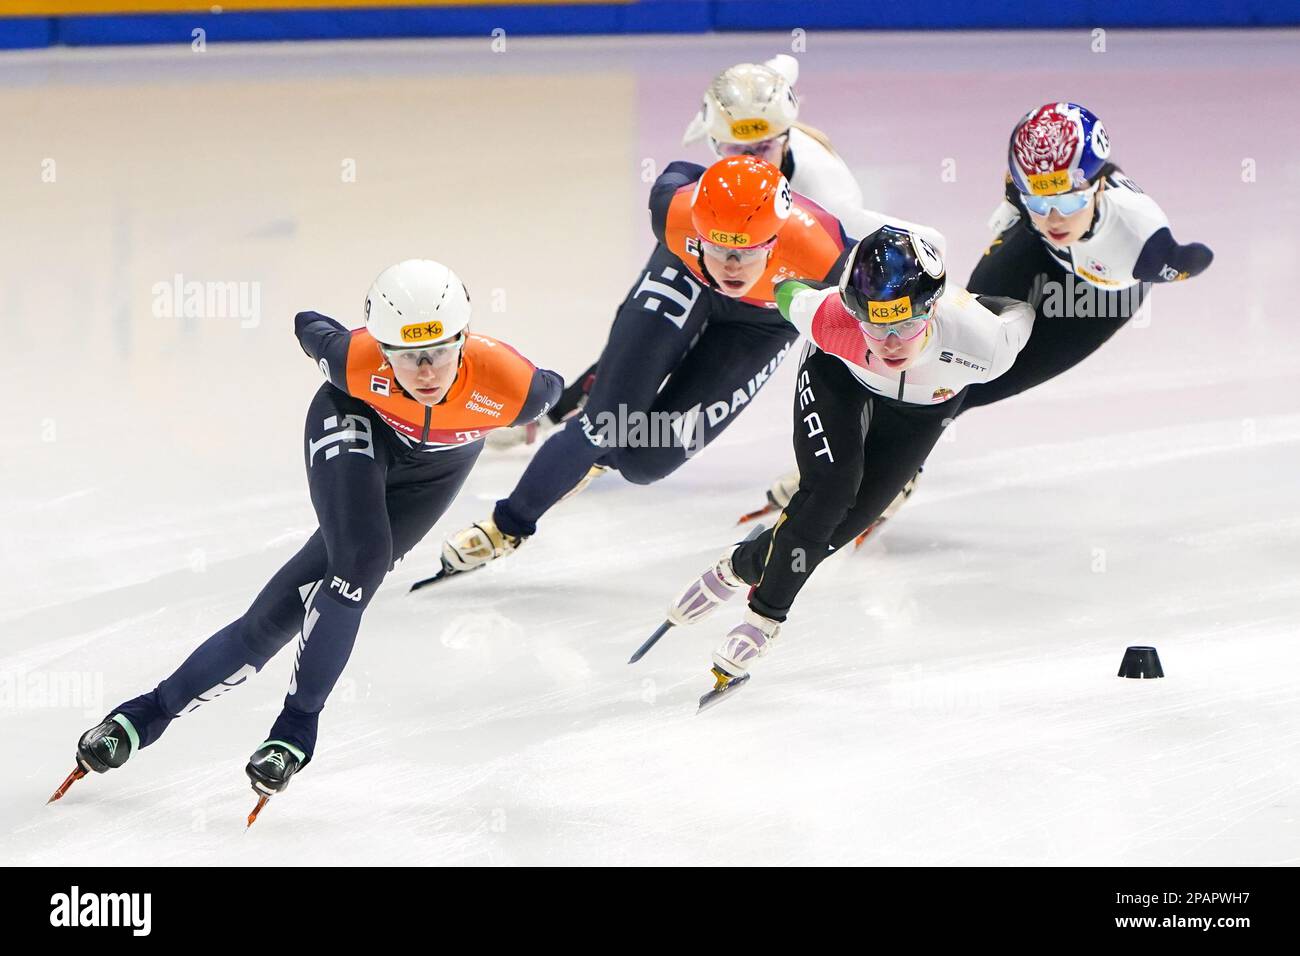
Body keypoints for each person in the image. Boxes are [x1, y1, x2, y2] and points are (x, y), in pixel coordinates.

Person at [49, 260, 562, 822]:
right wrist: (349, 345)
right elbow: (307, 323)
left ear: (464, 338)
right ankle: (297, 727)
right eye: (404, 353)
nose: (424, 371)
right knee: (360, 560)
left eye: (439, 350)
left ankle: (143, 716)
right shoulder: (352, 362)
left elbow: (565, 393)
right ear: (380, 347)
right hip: (356, 425)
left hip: (434, 472)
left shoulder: (516, 387)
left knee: (282, 616)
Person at [741, 101, 1214, 537]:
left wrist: (1181, 262)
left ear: (1098, 185)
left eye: (1068, 201)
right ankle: (849, 459)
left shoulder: (1143, 244)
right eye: (1037, 198)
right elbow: (1026, 197)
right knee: (944, 342)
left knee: (971, 381)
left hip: (1098, 296)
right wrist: (1017, 214)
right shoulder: (1035, 200)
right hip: (1034, 254)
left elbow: (1193, 259)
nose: (1053, 214)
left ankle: (892, 474)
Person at [487, 53, 943, 449]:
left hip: (774, 284)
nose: (747, 159)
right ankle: (561, 415)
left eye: (762, 147)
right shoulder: (747, 120)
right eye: (732, 148)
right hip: (728, 241)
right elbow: (776, 73)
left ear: (784, 138)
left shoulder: (827, 197)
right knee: (643, 338)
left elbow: (907, 245)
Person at [658, 226, 1034, 703]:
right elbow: (786, 288)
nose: (891, 341)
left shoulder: (985, 346)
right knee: (832, 488)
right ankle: (762, 623)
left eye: (904, 325)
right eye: (875, 325)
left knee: (845, 523)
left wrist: (974, 301)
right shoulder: (832, 320)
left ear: (932, 308)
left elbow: (1020, 312)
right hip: (840, 375)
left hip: (925, 406)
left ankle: (740, 565)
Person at [439, 155, 853, 576]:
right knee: (606, 422)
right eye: (717, 246)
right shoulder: (672, 212)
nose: (730, 266)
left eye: (745, 252)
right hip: (685, 277)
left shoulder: (825, 257)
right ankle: (507, 525)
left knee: (645, 461)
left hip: (761, 323)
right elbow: (683, 167)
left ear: (776, 240)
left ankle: (603, 447)